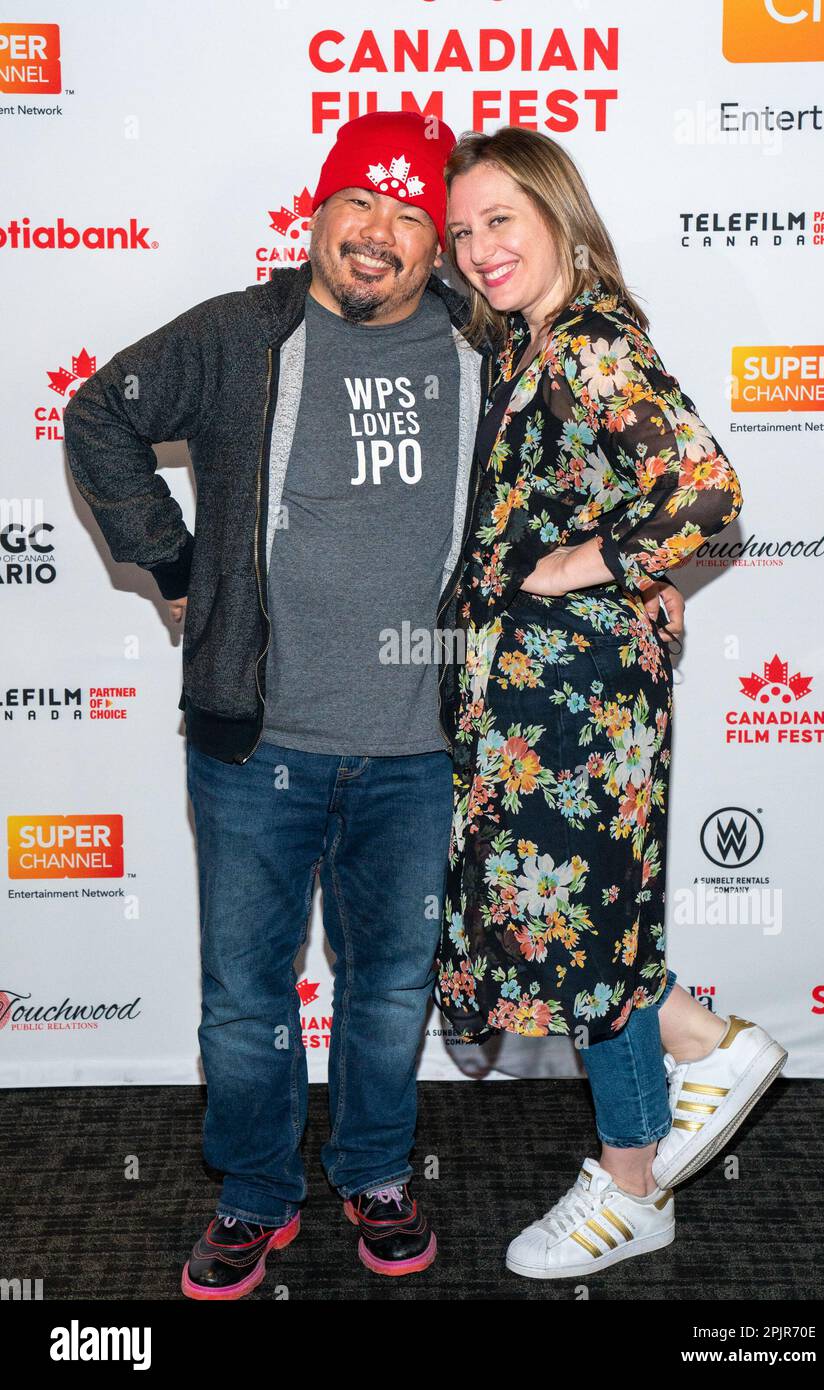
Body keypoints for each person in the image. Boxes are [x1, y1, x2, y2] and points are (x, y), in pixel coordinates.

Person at [62, 109, 511, 1297]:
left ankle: (373, 1169)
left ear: (438, 242)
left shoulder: (487, 348)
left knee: (389, 992)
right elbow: (98, 413)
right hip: (256, 744)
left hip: (419, 750)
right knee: (244, 999)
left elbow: (592, 472)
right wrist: (175, 566)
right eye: (357, 202)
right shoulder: (239, 334)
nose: (379, 231)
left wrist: (638, 579)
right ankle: (257, 1194)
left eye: (410, 212)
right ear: (316, 215)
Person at [435, 125, 788, 1279]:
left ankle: (630, 1183)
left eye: (499, 219)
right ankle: (701, 1048)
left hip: (576, 706)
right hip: (548, 706)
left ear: (555, 211)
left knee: (589, 943)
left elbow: (703, 488)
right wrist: (632, 569)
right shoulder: (533, 347)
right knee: (593, 930)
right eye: (461, 232)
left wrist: (589, 564)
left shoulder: (585, 344)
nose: (479, 249)